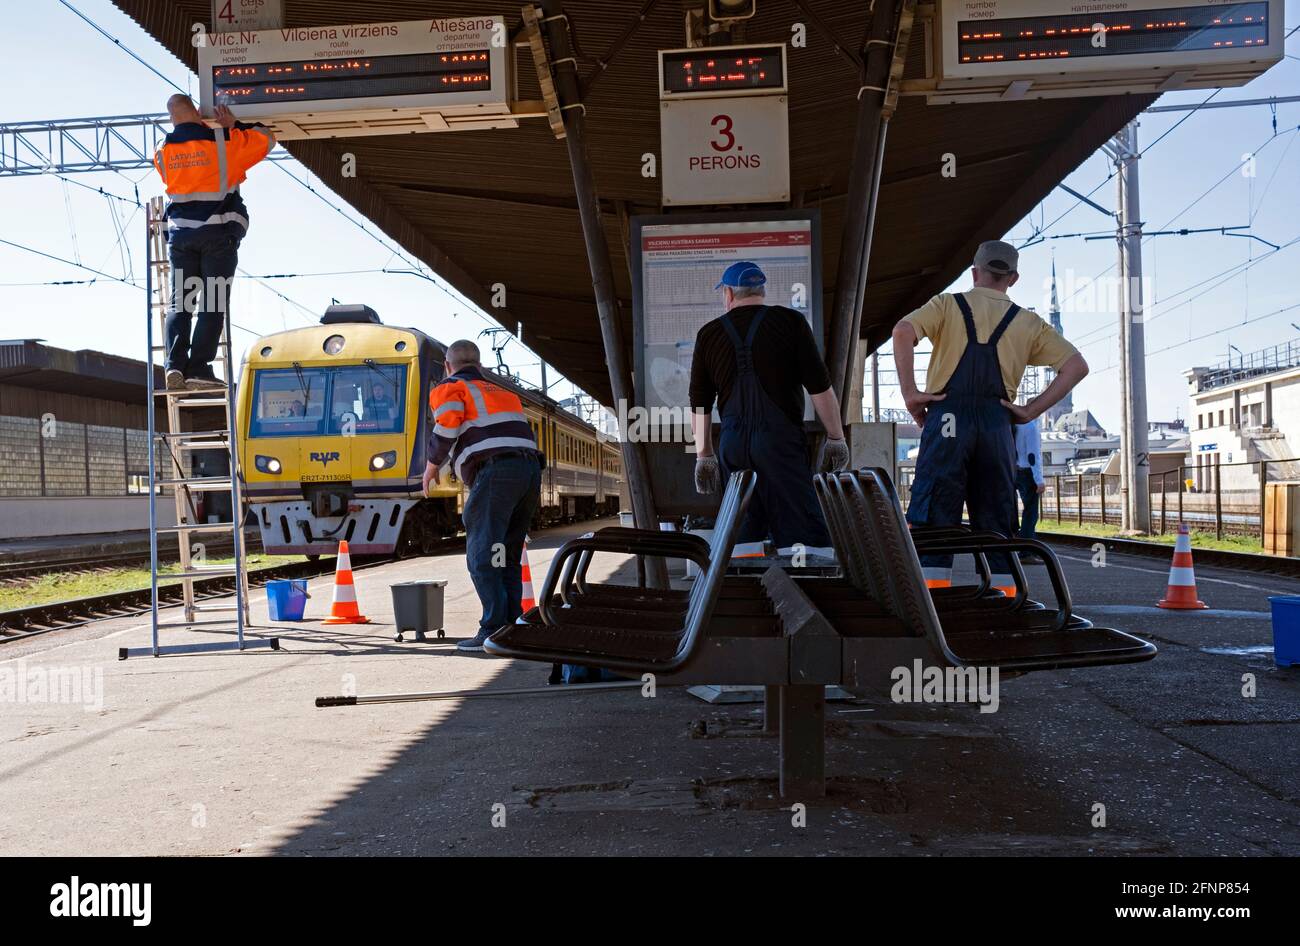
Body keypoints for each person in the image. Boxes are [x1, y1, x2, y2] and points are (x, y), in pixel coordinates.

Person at [892, 240, 1087, 592]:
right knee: (997, 522)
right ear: (1012, 278)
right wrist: (1029, 411)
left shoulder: (948, 305)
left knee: (935, 519)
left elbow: (902, 331)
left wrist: (911, 394)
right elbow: (1076, 367)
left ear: (974, 272)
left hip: (948, 418)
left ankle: (936, 609)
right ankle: (1005, 604)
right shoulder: (1028, 322)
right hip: (998, 423)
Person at [689, 260, 849, 556]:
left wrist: (704, 456)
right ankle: (805, 585)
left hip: (733, 445)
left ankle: (747, 588)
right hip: (780, 442)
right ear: (761, 290)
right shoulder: (791, 323)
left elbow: (699, 403)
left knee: (742, 529)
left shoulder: (709, 334)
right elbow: (819, 388)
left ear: (728, 293)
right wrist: (836, 437)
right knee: (802, 530)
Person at [423, 340, 542, 651]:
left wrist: (430, 467)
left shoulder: (450, 387)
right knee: (507, 554)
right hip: (528, 472)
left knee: (482, 555)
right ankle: (513, 626)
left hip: (497, 473)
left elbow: (447, 427)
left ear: (448, 366)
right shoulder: (503, 392)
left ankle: (492, 629)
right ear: (480, 366)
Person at [151, 95, 275, 390]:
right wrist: (233, 125)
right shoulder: (223, 144)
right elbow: (266, 138)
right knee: (212, 302)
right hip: (217, 237)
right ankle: (199, 368)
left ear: (172, 119)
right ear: (197, 111)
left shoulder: (162, 151)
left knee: (181, 303)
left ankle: (174, 365)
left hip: (181, 238)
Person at [1014, 417, 1046, 562]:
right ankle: (1026, 552)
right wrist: (1039, 480)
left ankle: (1018, 545)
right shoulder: (1031, 427)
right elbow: (1033, 455)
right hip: (1028, 473)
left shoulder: (1016, 425)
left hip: (1014, 471)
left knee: (1012, 510)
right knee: (1030, 513)